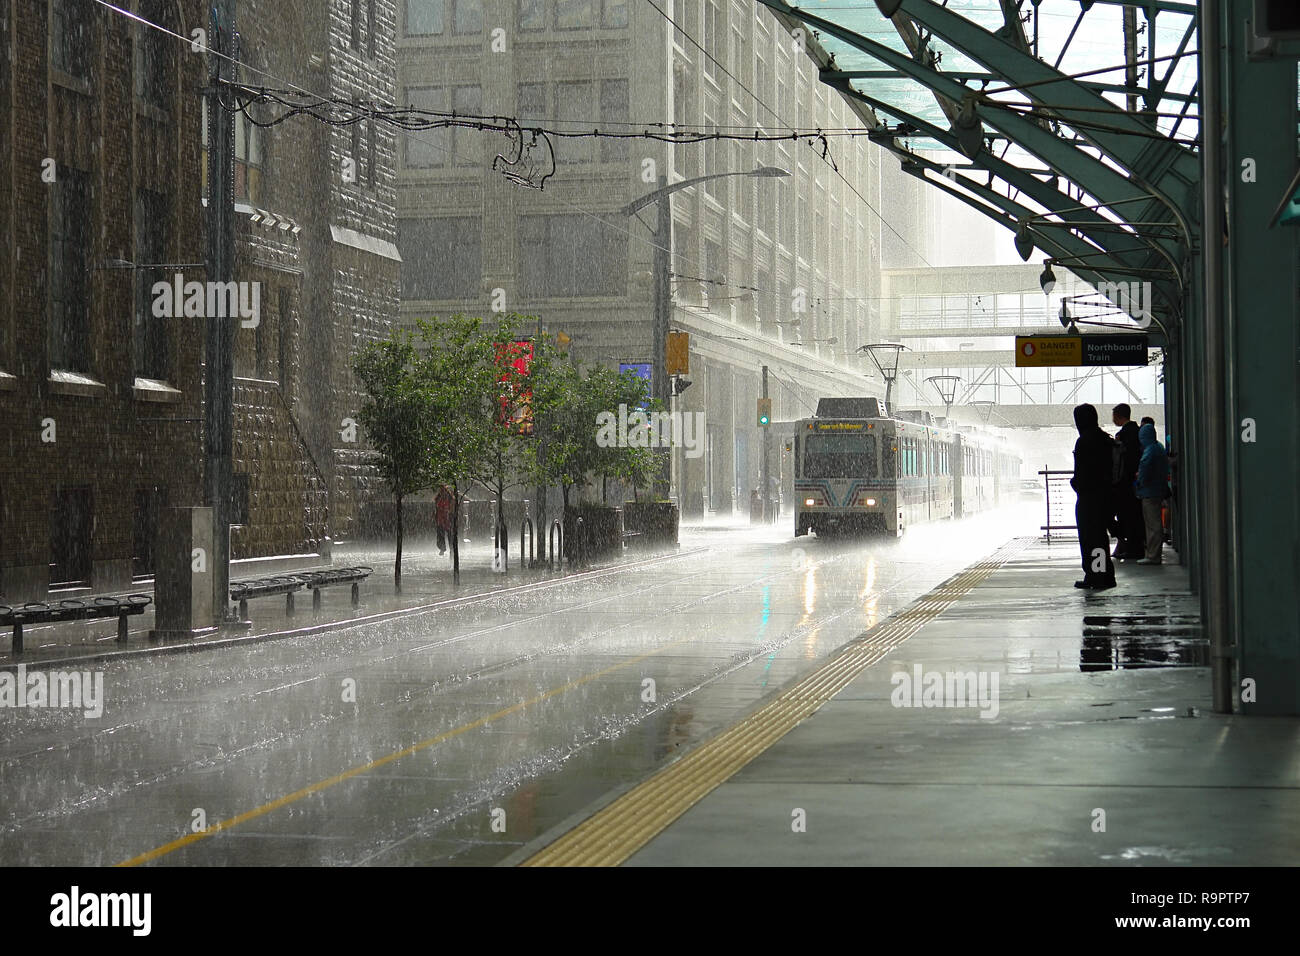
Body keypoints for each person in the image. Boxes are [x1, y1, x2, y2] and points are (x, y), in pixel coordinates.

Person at [1071, 403, 1117, 590]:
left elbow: (1082, 474)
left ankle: (1096, 575)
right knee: (1100, 538)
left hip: (1089, 499)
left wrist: (1075, 484)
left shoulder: (1084, 441)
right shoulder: (1105, 439)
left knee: (1091, 539)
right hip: (1105, 496)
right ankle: (1104, 574)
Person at [1110, 403, 1144, 561]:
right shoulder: (1138, 432)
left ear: (1118, 416)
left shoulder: (1123, 435)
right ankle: (1135, 546)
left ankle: (1129, 547)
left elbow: (1121, 463)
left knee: (1125, 516)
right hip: (1138, 482)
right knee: (1136, 516)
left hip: (1125, 484)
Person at [1133, 422, 1169, 564]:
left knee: (1152, 524)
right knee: (1155, 523)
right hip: (1157, 490)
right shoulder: (1158, 447)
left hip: (1149, 492)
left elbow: (1144, 472)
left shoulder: (1149, 452)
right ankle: (1153, 554)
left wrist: (1138, 481)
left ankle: (1153, 555)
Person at [434, 484, 454, 556]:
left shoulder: (449, 497)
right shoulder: (438, 497)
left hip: (447, 518)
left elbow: (451, 507)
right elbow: (436, 507)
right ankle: (443, 548)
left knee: (449, 535)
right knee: (441, 535)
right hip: (441, 518)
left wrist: (449, 512)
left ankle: (451, 549)